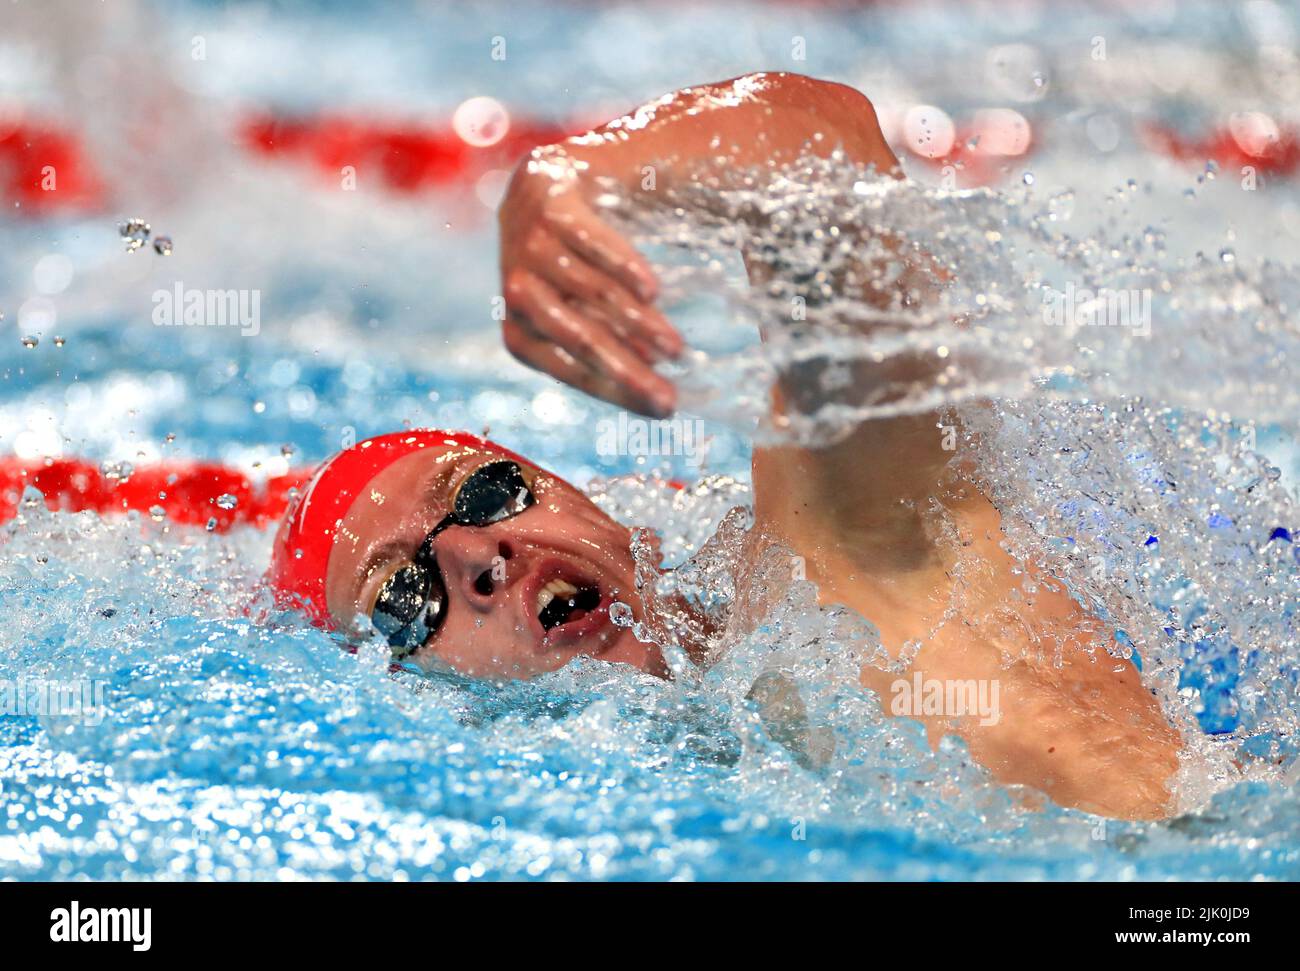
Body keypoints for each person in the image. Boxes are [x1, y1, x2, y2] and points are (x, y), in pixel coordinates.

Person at [266, 72, 1180, 820]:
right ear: (415, 696)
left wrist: (570, 177)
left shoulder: (828, 561)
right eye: (403, 597)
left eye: (486, 492)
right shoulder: (695, 774)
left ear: (584, 497)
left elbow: (821, 146)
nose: (473, 552)